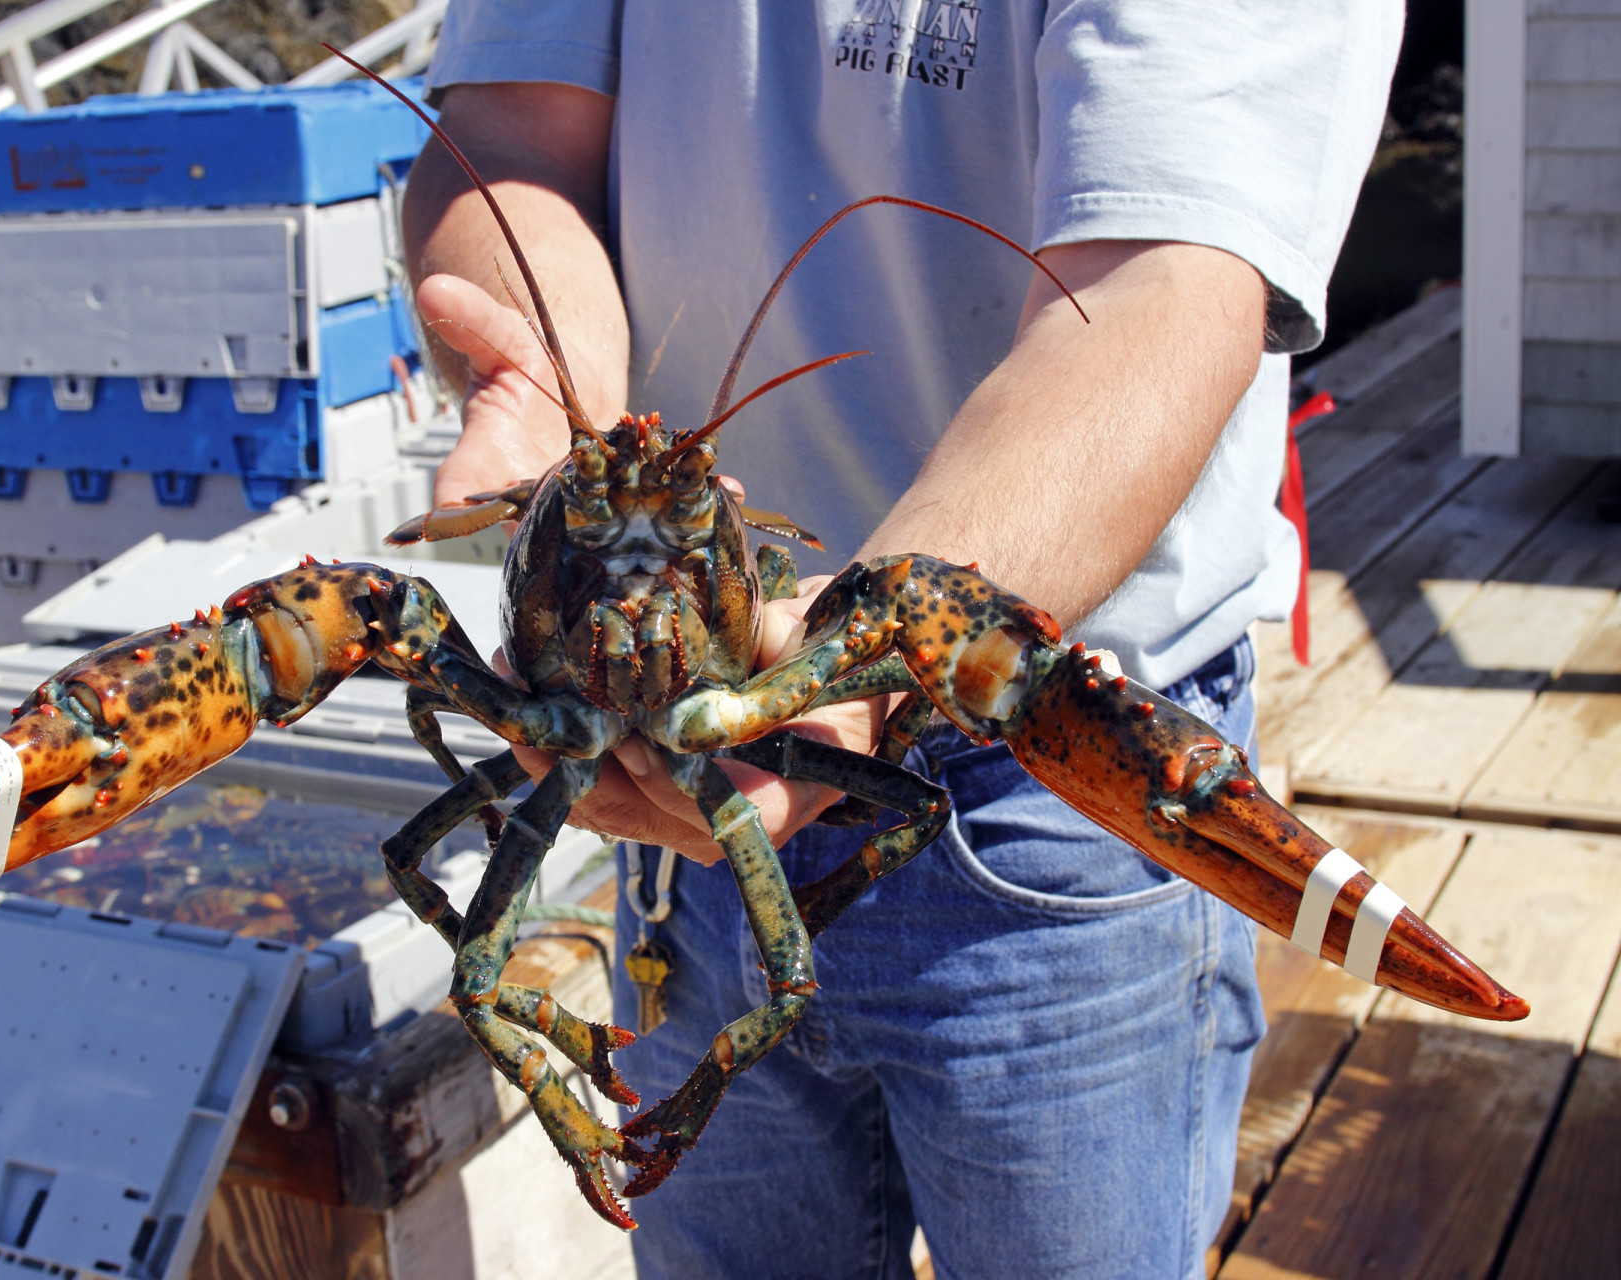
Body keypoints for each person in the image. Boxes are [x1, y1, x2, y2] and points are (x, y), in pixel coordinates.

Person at [399, 3, 1403, 1276]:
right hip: (672, 822)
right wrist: (539, 371)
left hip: (1064, 761)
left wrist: (864, 641)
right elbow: (503, 134)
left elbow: (1166, 275)